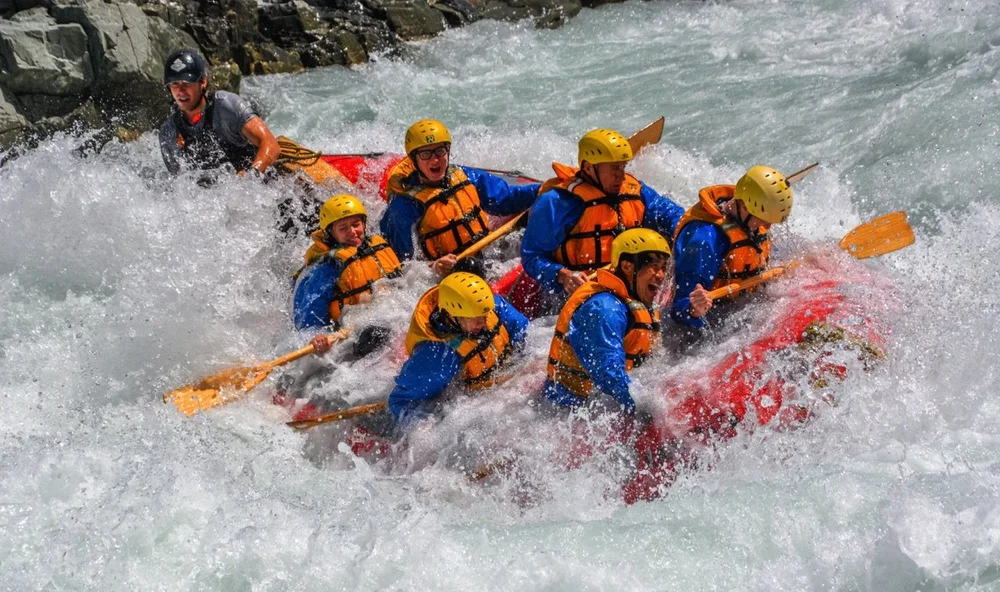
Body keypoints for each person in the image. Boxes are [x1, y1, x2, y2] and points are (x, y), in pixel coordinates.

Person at [521, 128, 684, 300]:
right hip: (584, 293)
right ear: (588, 168)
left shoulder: (636, 191)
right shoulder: (557, 203)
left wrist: (688, 236)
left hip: (632, 286)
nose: (621, 176)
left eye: (623, 167)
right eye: (614, 168)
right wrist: (563, 275)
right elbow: (532, 257)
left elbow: (674, 216)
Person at [379, 119, 541, 277]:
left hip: (486, 253)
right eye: (426, 154)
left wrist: (543, 189)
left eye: (440, 151)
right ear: (414, 159)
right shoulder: (404, 206)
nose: (435, 160)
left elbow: (508, 200)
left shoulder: (466, 176)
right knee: (468, 267)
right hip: (446, 273)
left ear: (448, 150)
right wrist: (432, 268)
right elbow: (402, 267)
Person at [543, 228, 671, 415]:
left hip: (603, 401)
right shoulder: (604, 310)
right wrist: (649, 409)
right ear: (627, 266)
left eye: (664, 268)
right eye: (654, 266)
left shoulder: (636, 299)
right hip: (570, 411)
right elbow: (608, 374)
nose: (661, 276)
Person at [387, 272, 529, 427]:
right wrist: (422, 427)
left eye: (484, 316)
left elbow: (530, 337)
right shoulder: (438, 357)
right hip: (477, 404)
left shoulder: (494, 308)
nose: (483, 323)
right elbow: (400, 402)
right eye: (474, 319)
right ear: (451, 316)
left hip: (510, 382)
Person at [669, 165, 793, 330]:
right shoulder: (705, 241)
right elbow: (678, 308)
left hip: (745, 305)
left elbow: (766, 255)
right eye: (764, 220)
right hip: (712, 320)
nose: (768, 227)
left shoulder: (754, 219)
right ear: (743, 207)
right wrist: (694, 309)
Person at [292, 194, 403, 335]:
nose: (352, 232)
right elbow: (308, 318)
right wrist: (317, 336)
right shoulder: (327, 268)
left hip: (390, 315)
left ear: (364, 224)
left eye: (356, 224)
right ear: (330, 233)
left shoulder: (377, 246)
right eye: (343, 228)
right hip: (353, 333)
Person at [158, 49, 280, 176]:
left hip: (257, 185)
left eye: (187, 83)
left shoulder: (227, 106)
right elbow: (178, 182)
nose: (180, 91)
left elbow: (271, 145)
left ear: (203, 82)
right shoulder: (169, 132)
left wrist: (249, 177)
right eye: (175, 84)